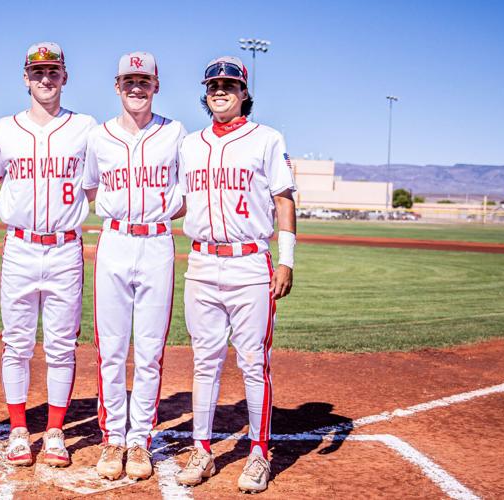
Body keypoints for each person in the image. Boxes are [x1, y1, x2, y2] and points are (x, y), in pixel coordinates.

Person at [175, 56, 297, 493]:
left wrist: (286, 260)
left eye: (229, 84)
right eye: (213, 85)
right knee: (204, 361)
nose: (220, 90)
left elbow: (284, 199)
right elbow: (177, 200)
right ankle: (202, 450)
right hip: (202, 263)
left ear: (244, 92)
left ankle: (260, 453)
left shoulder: (266, 138)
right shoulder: (190, 144)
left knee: (253, 362)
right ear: (205, 93)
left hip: (250, 263)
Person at [0, 42, 97, 467]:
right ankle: (18, 430)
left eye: (53, 72)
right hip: (19, 245)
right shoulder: (4, 128)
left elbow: (94, 186)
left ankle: (54, 432)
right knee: (16, 344)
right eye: (37, 73)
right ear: (25, 79)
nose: (45, 79)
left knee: (61, 346)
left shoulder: (86, 127)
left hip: (65, 247)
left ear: (65, 77)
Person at [82, 52, 186, 481]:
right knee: (111, 348)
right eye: (129, 81)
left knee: (148, 350)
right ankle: (113, 440)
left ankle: (139, 438)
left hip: (158, 242)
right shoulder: (98, 136)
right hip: (115, 240)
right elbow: (90, 188)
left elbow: (188, 188)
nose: (136, 88)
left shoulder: (175, 133)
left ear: (156, 85)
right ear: (117, 85)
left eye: (144, 80)